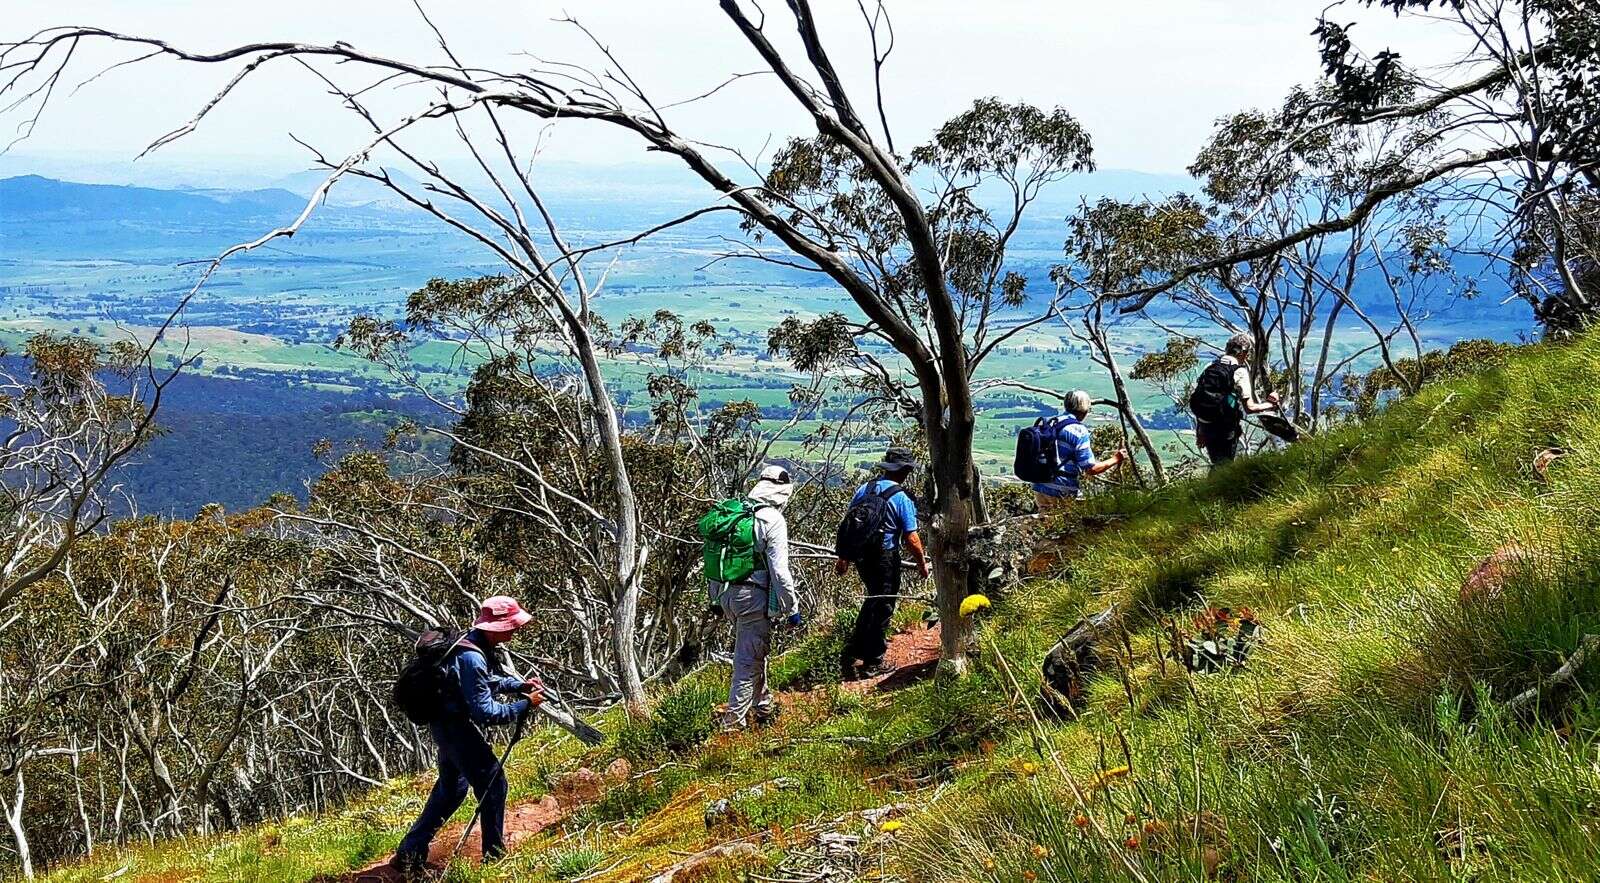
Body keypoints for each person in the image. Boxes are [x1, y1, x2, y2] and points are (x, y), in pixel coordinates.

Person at [394, 596, 543, 874]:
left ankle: (410, 851)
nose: (515, 630)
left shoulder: (469, 643)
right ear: (494, 626)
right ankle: (494, 857)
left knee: (452, 789)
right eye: (511, 625)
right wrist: (525, 704)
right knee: (494, 784)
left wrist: (519, 685)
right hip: (456, 730)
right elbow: (485, 712)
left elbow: (485, 681)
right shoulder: (472, 655)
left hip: (445, 727)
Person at [710, 465, 803, 730]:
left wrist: (716, 599)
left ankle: (762, 705)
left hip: (727, 593)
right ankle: (733, 724)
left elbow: (718, 560)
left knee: (754, 652)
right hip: (751, 597)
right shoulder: (771, 519)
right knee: (747, 661)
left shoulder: (737, 514)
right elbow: (779, 571)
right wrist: (791, 607)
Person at [835, 447, 928, 681]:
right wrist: (921, 563)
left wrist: (844, 558)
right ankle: (873, 660)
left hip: (861, 556)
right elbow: (911, 538)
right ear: (905, 471)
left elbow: (850, 525)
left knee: (873, 598)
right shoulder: (901, 498)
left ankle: (854, 649)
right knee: (883, 604)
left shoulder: (864, 489)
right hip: (884, 558)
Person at [1032, 390, 1129, 513]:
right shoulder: (1078, 431)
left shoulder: (1052, 422)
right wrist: (1116, 458)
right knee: (1061, 527)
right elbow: (1090, 469)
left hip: (1040, 487)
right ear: (1085, 409)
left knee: (1045, 524)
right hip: (1061, 489)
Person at [1192, 333, 1280, 465]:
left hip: (1206, 425)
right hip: (1225, 428)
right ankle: (1219, 485)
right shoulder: (1239, 371)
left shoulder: (1210, 367)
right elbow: (1250, 408)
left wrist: (1200, 432)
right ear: (1243, 353)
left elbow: (1202, 398)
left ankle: (1214, 485)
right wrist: (1270, 404)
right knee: (1225, 466)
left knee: (1217, 462)